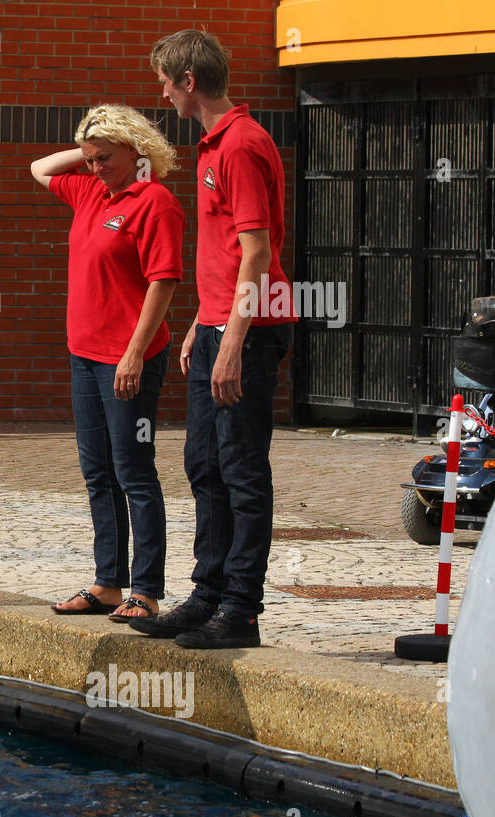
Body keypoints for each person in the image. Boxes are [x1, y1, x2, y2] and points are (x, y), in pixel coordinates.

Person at [132, 29, 298, 648]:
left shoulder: (241, 146)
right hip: (218, 324)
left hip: (247, 331)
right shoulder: (210, 145)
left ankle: (241, 609)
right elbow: (227, 254)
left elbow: (257, 253)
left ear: (188, 82)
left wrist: (230, 339)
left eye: (165, 82)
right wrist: (203, 321)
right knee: (203, 462)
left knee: (241, 468)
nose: (163, 92)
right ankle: (208, 592)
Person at [30, 105, 184, 622]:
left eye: (105, 158)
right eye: (91, 159)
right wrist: (90, 141)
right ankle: (108, 583)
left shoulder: (155, 202)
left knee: (133, 471)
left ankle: (147, 590)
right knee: (97, 471)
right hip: (83, 355)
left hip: (128, 360)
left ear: (135, 150)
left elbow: (162, 282)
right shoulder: (89, 191)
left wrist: (134, 353)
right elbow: (40, 168)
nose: (95, 167)